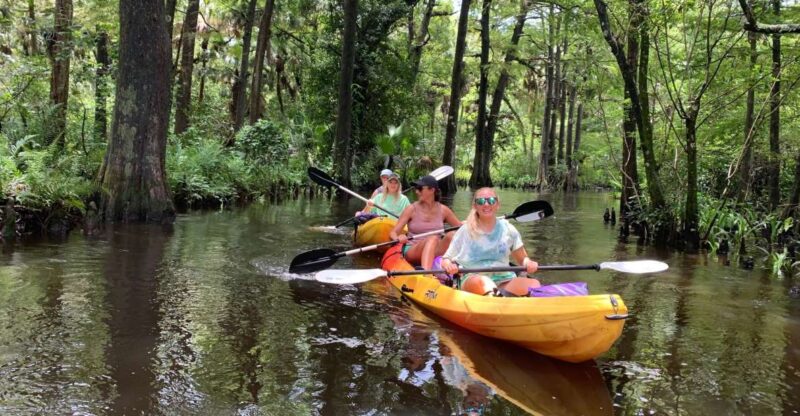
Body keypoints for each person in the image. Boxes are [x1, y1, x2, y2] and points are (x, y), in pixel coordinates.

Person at [440, 187, 539, 296]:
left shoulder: (509, 229)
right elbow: (446, 259)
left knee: (534, 284)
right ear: (475, 206)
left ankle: (502, 298)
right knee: (485, 284)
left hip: (504, 279)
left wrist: (528, 263)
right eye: (481, 201)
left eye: (491, 200)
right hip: (473, 278)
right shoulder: (465, 230)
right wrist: (449, 266)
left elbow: (522, 259)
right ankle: (496, 298)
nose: (486, 204)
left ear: (497, 204)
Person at [389, 175, 462, 270]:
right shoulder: (411, 209)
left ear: (432, 190)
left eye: (420, 189)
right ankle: (426, 273)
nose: (416, 191)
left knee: (452, 235)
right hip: (413, 249)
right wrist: (398, 237)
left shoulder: (444, 210)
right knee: (432, 239)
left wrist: (471, 222)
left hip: (436, 249)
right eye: (416, 189)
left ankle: (456, 265)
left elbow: (461, 229)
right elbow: (392, 233)